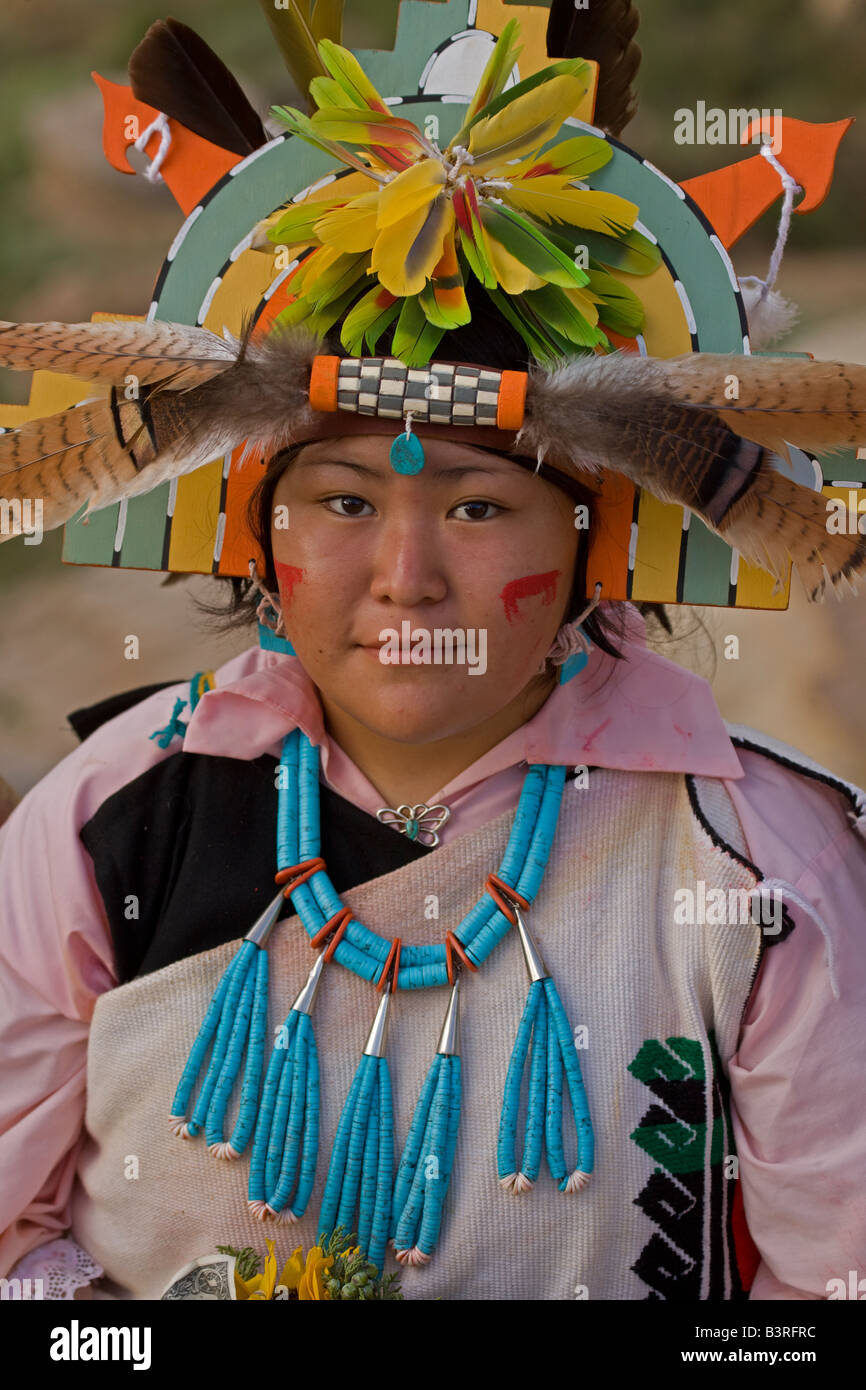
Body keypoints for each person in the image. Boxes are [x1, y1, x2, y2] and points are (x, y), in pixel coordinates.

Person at [1, 6, 865, 1302]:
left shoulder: (761, 862)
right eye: (344, 502)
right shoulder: (100, 823)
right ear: (257, 535)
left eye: (476, 506)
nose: (404, 573)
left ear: (587, 539)